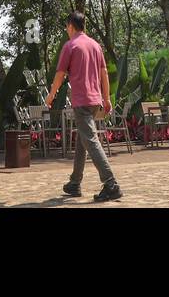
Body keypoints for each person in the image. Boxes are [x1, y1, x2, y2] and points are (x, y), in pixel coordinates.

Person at [45, 11, 123, 201]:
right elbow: (104, 74)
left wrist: (51, 94)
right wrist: (107, 99)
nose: (66, 30)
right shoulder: (96, 45)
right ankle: (74, 183)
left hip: (81, 102)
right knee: (83, 141)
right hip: (95, 101)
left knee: (91, 141)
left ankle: (111, 184)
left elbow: (60, 74)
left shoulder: (70, 45)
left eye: (66, 27)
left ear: (71, 26)